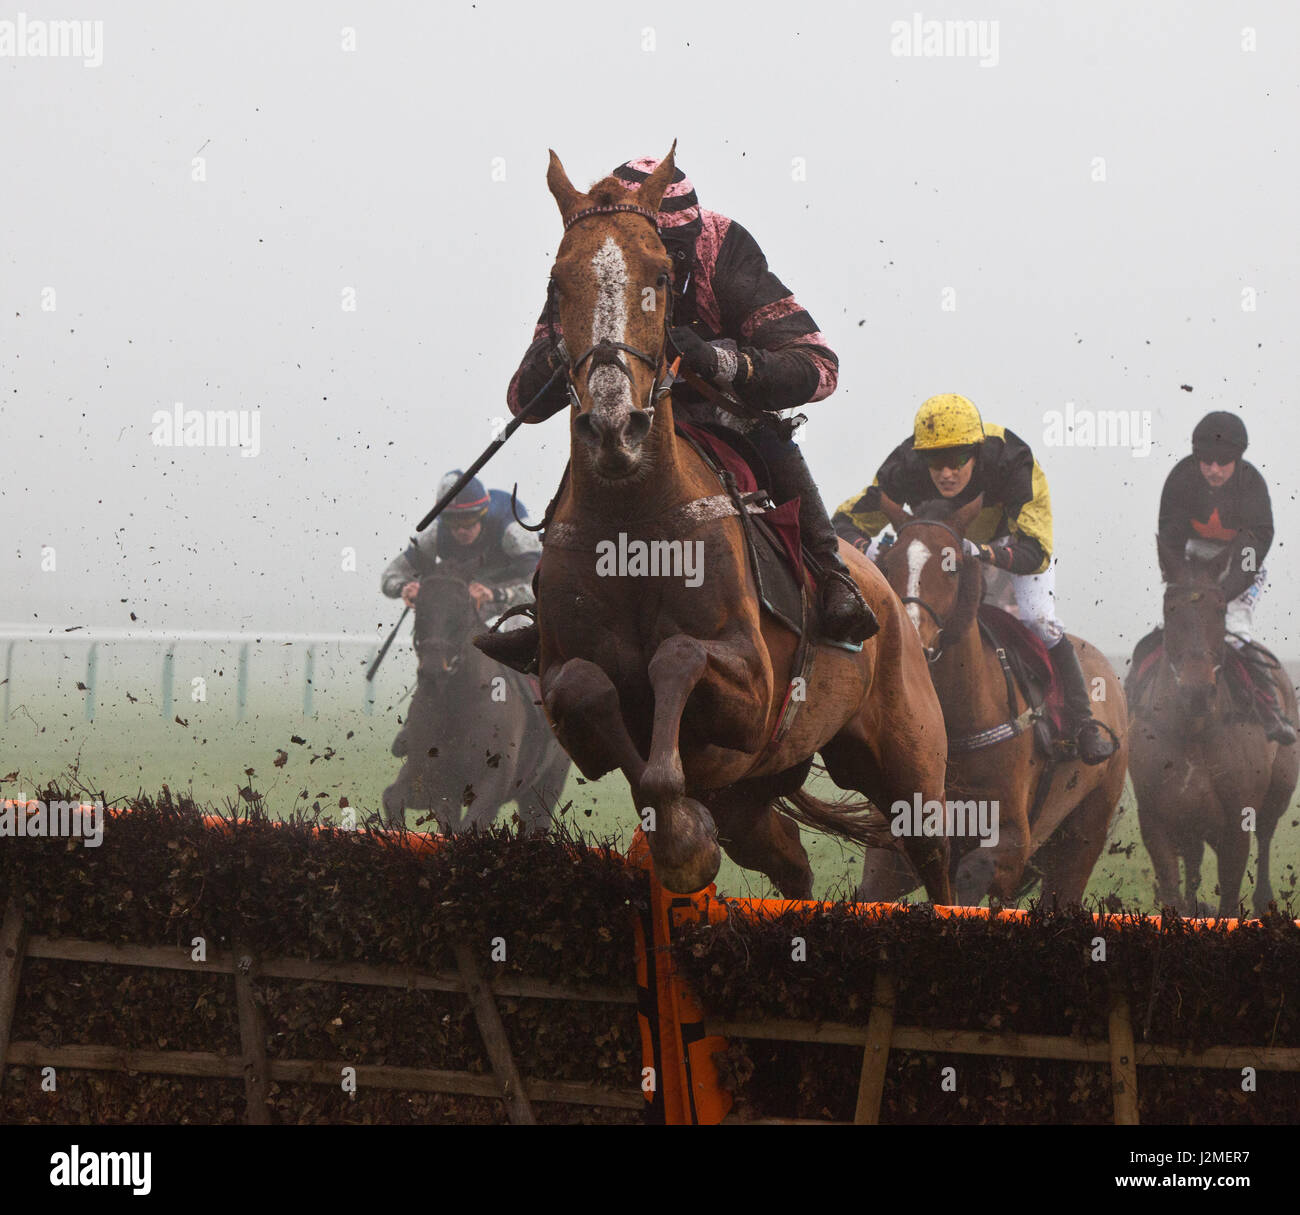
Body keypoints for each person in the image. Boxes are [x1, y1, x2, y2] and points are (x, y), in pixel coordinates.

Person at [477, 153, 876, 673]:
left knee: (773, 439)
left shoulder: (723, 247)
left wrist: (718, 361)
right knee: (591, 446)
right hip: (630, 418)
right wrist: (571, 347)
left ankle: (832, 575)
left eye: (664, 255)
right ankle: (547, 612)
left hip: (725, 415)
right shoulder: (595, 252)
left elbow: (818, 366)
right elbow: (521, 399)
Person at [834, 393, 1117, 764]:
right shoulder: (904, 464)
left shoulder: (1013, 460)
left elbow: (1035, 552)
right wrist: (877, 554)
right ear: (922, 457)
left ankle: (1083, 722)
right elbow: (844, 523)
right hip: (938, 548)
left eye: (957, 461)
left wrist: (981, 553)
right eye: (936, 461)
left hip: (1011, 544)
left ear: (977, 451)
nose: (946, 473)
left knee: (1038, 618)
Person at [1154, 410, 1294, 744]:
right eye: (1206, 462)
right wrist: (1180, 581)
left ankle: (1269, 708)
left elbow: (1255, 546)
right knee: (1184, 625)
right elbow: (1170, 537)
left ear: (1237, 460)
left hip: (1241, 561)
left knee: (1234, 631)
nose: (1214, 470)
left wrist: (1225, 592)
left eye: (1223, 463)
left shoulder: (1252, 485)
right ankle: (1140, 700)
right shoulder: (1181, 478)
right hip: (1191, 560)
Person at [381, 470, 541, 618]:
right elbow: (390, 576)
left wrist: (500, 594)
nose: (461, 530)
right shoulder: (434, 533)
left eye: (468, 520)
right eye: (451, 521)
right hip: (474, 589)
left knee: (519, 620)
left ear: (483, 514)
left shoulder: (514, 531)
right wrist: (404, 588)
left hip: (520, 586)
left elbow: (544, 589)